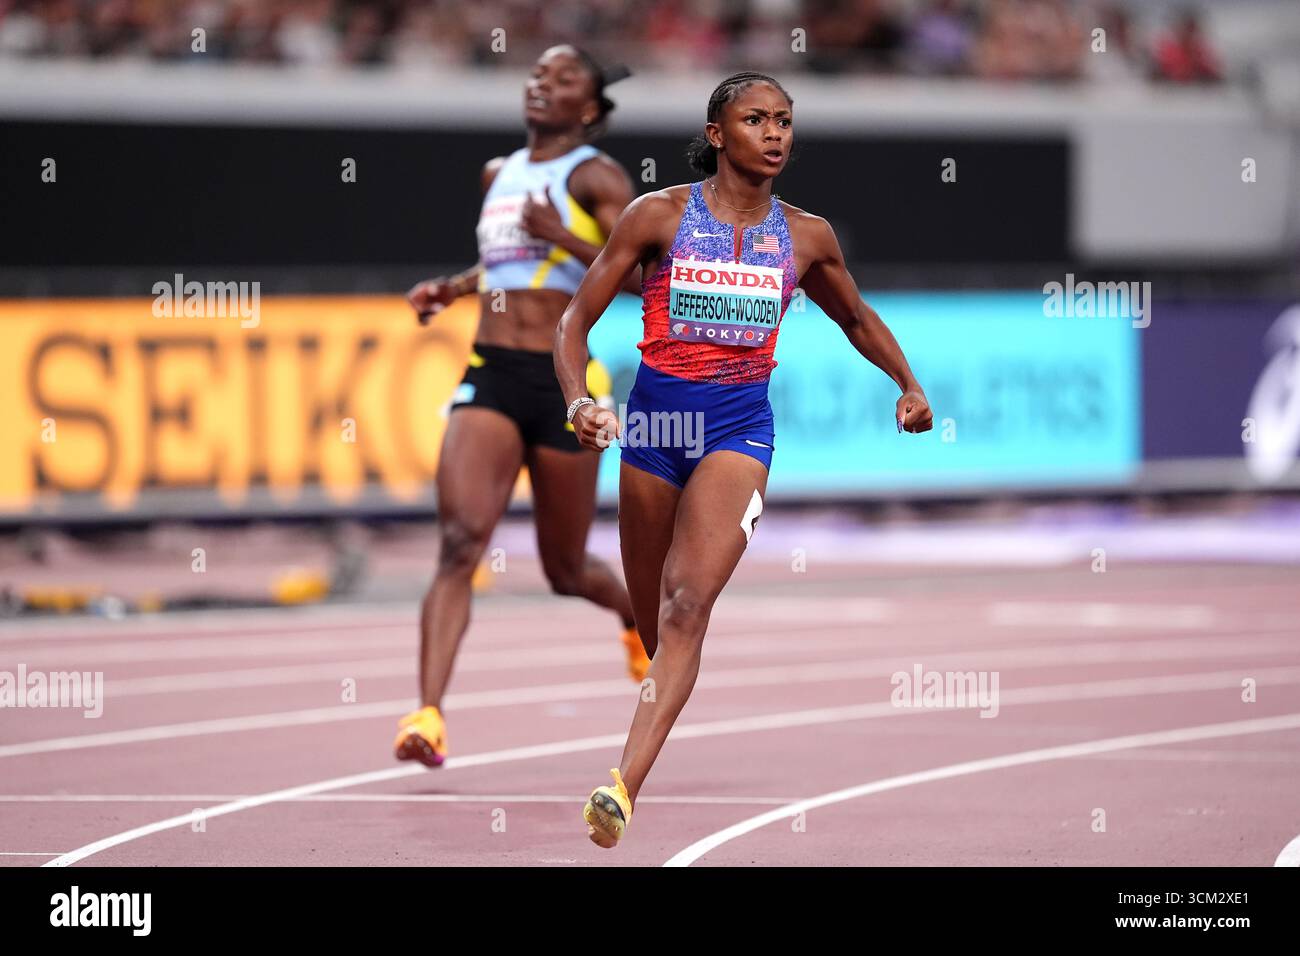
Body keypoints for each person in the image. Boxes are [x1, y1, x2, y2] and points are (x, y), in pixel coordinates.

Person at [553, 71, 934, 846]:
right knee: (655, 619)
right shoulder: (655, 216)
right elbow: (573, 323)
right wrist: (580, 403)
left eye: (786, 121)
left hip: (738, 430)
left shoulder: (807, 235)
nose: (775, 134)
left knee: (688, 604)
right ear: (718, 133)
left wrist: (908, 383)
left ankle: (620, 787)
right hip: (655, 430)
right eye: (756, 119)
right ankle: (660, 687)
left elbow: (854, 317)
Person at [394, 45, 647, 769]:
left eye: (564, 79)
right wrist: (452, 287)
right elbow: (502, 262)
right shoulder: (497, 174)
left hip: (565, 383)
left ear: (590, 108)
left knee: (564, 571)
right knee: (458, 542)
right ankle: (428, 716)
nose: (544, 83)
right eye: (538, 73)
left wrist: (563, 234)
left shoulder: (597, 176)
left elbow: (645, 279)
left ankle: (632, 613)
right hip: (492, 371)